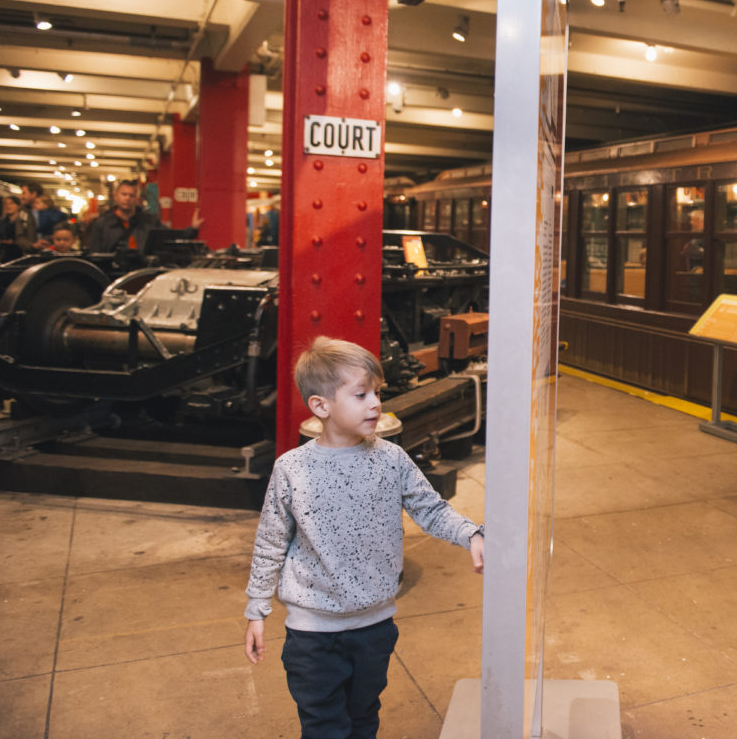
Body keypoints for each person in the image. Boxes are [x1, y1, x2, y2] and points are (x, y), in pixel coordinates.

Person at [243, 336, 484, 739]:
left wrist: (471, 534)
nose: (375, 403)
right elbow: (270, 541)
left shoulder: (391, 459)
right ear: (321, 406)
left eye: (377, 392)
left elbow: (431, 509)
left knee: (364, 720)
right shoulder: (292, 469)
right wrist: (256, 608)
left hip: (375, 627)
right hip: (312, 633)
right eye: (360, 394)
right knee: (325, 727)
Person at [86, 179, 202, 253]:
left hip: (141, 272)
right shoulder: (103, 223)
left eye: (131, 195)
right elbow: (95, 252)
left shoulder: (149, 221)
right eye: (124, 194)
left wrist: (192, 229)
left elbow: (169, 237)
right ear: (116, 196)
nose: (127, 198)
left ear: (137, 199)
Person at [0, 194, 36, 265]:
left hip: (21, 257)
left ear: (18, 206)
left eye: (11, 203)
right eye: (6, 204)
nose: (8, 206)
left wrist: (14, 242)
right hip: (3, 257)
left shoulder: (24, 222)